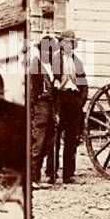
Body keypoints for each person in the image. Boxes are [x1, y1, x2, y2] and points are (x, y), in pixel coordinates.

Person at [46, 30, 88, 185]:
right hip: (60, 100)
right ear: (61, 44)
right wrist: (54, 104)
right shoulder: (55, 60)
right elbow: (51, 83)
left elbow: (84, 84)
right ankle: (51, 173)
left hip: (74, 101)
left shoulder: (77, 62)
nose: (67, 45)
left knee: (72, 138)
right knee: (54, 139)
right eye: (64, 42)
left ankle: (68, 173)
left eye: (70, 43)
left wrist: (81, 101)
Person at [27, 32, 59, 186]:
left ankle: (37, 177)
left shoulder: (50, 67)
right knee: (37, 143)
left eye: (51, 50)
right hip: (40, 107)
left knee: (47, 143)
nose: (49, 53)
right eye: (46, 50)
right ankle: (32, 178)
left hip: (50, 107)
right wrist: (32, 112)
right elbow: (32, 91)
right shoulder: (35, 66)